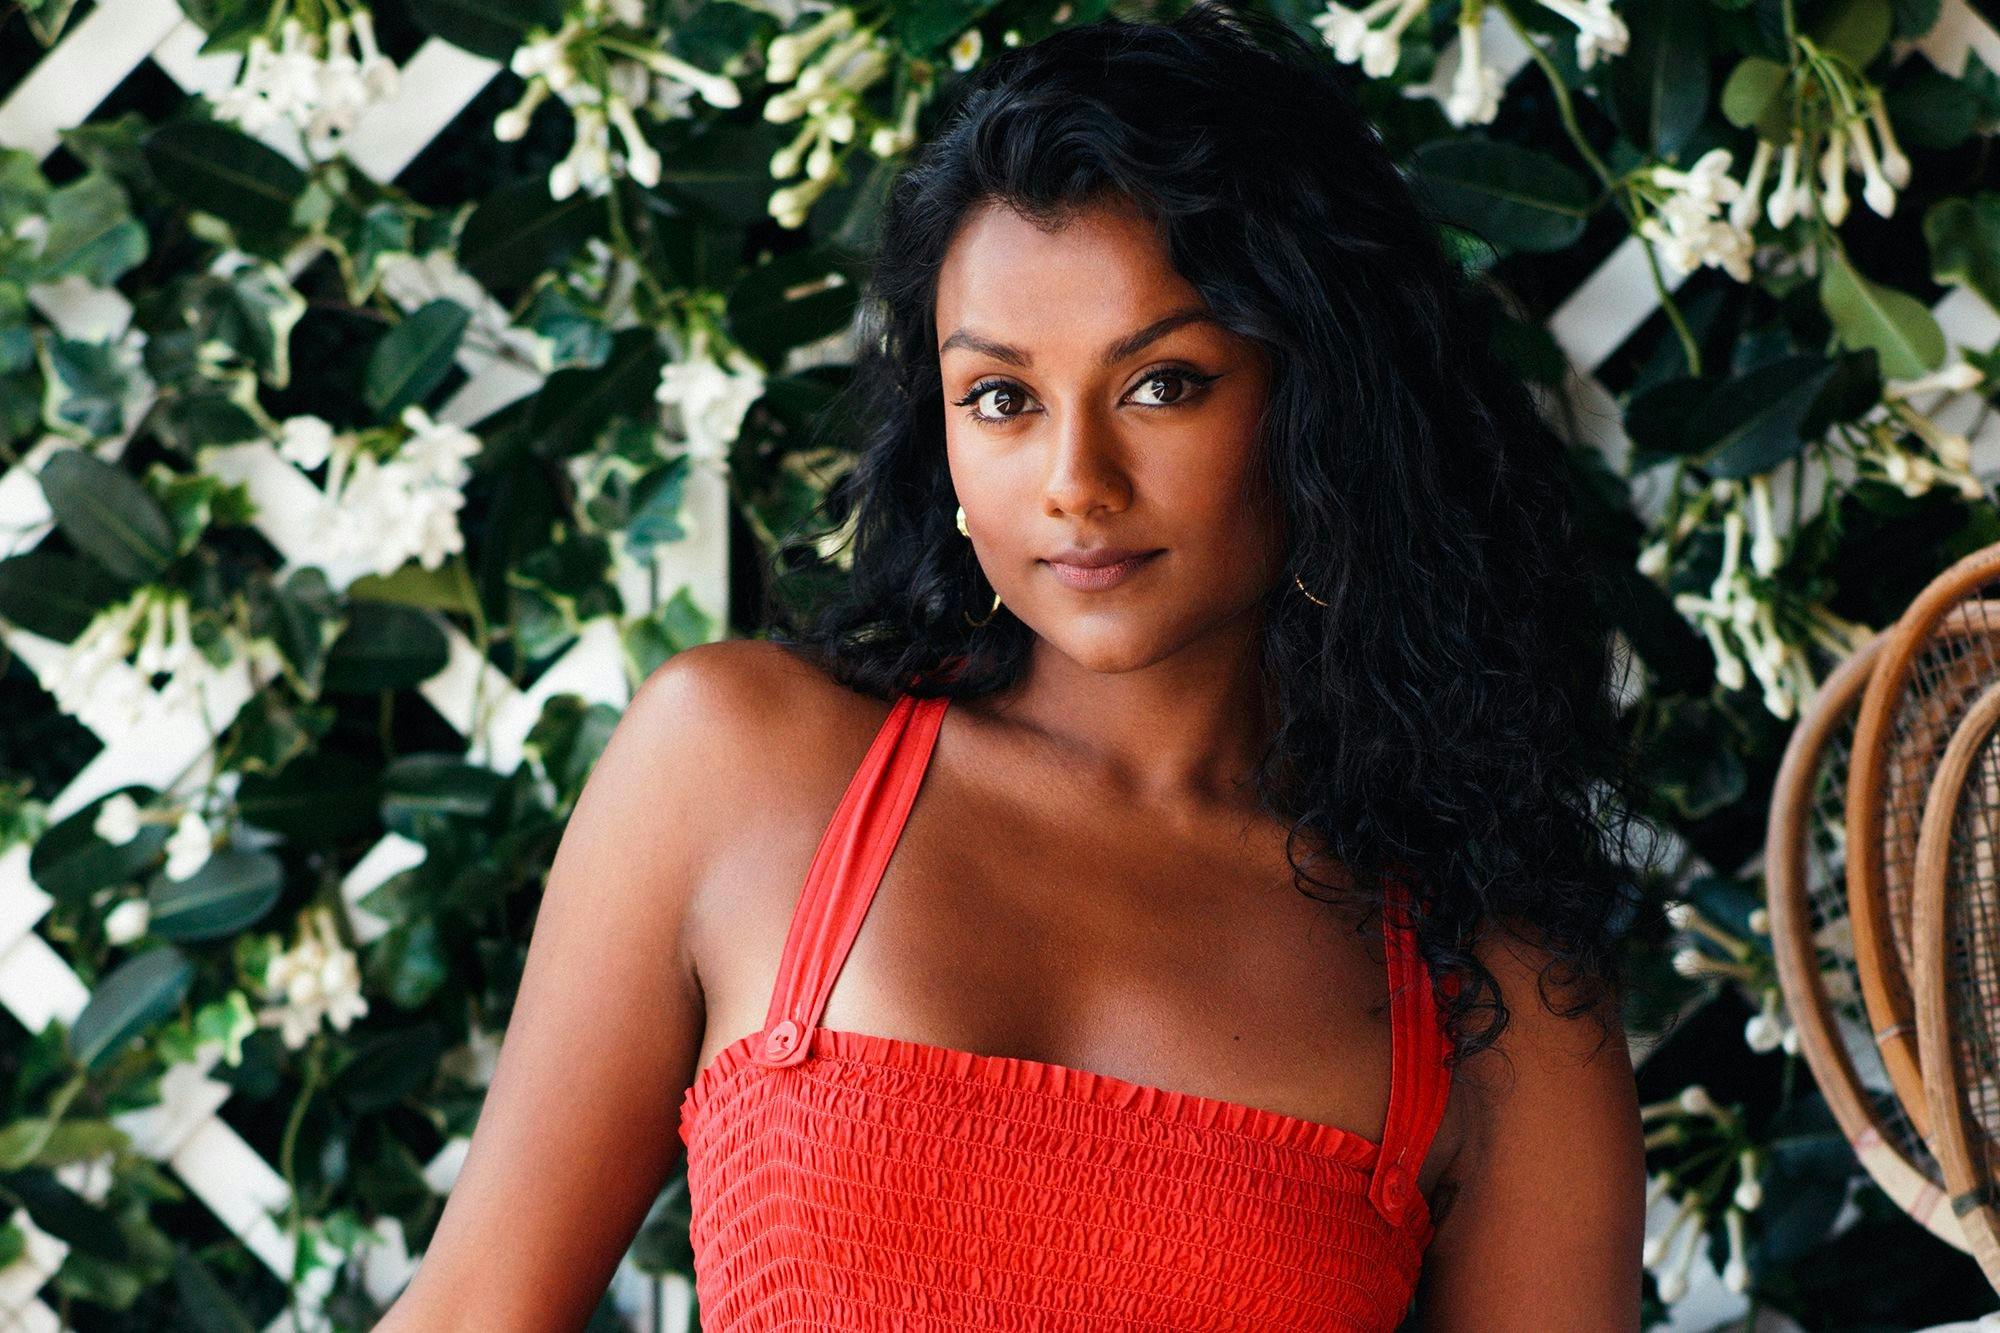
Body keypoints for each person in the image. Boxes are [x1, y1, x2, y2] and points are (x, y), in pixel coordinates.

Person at [377, 5, 1648, 1329]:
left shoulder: (1493, 994)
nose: (1074, 485)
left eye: (1163, 384)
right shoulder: (742, 765)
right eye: (1002, 396)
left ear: (1317, 402)